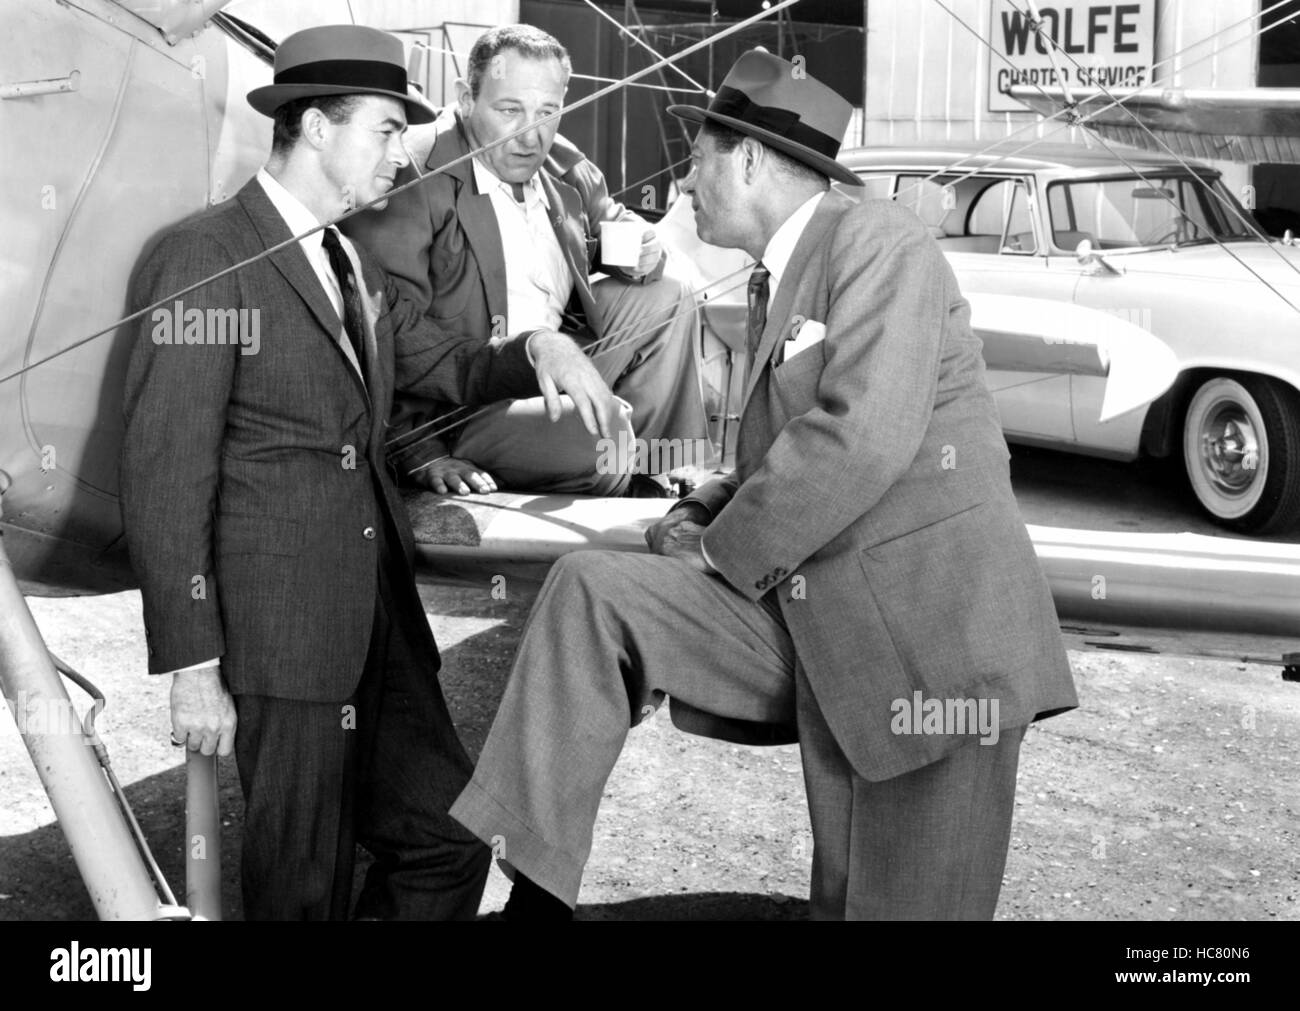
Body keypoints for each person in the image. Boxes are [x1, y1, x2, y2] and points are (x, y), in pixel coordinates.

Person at [447, 50, 1079, 920]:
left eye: (697, 157)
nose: (685, 181)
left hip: (933, 653)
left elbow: (859, 440)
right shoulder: (781, 275)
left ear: (746, 159)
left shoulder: (880, 242)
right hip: (819, 617)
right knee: (596, 592)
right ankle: (536, 892)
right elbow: (769, 459)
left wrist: (716, 547)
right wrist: (697, 509)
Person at [119, 24, 618, 921]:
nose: (403, 151)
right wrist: (192, 661)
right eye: (386, 130)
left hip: (379, 618)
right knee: (300, 883)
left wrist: (535, 346)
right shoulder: (206, 261)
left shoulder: (346, 256)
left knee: (448, 837)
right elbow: (166, 470)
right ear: (314, 127)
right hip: (284, 630)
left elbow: (438, 366)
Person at [343, 24, 709, 497]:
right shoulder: (411, 173)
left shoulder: (563, 166)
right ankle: (620, 467)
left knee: (668, 295)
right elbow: (378, 334)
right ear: (466, 98)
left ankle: (656, 473)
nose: (530, 135)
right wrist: (420, 453)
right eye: (509, 110)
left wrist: (645, 248)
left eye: (548, 111)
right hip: (467, 402)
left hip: (554, 364)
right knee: (606, 432)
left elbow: (619, 228)